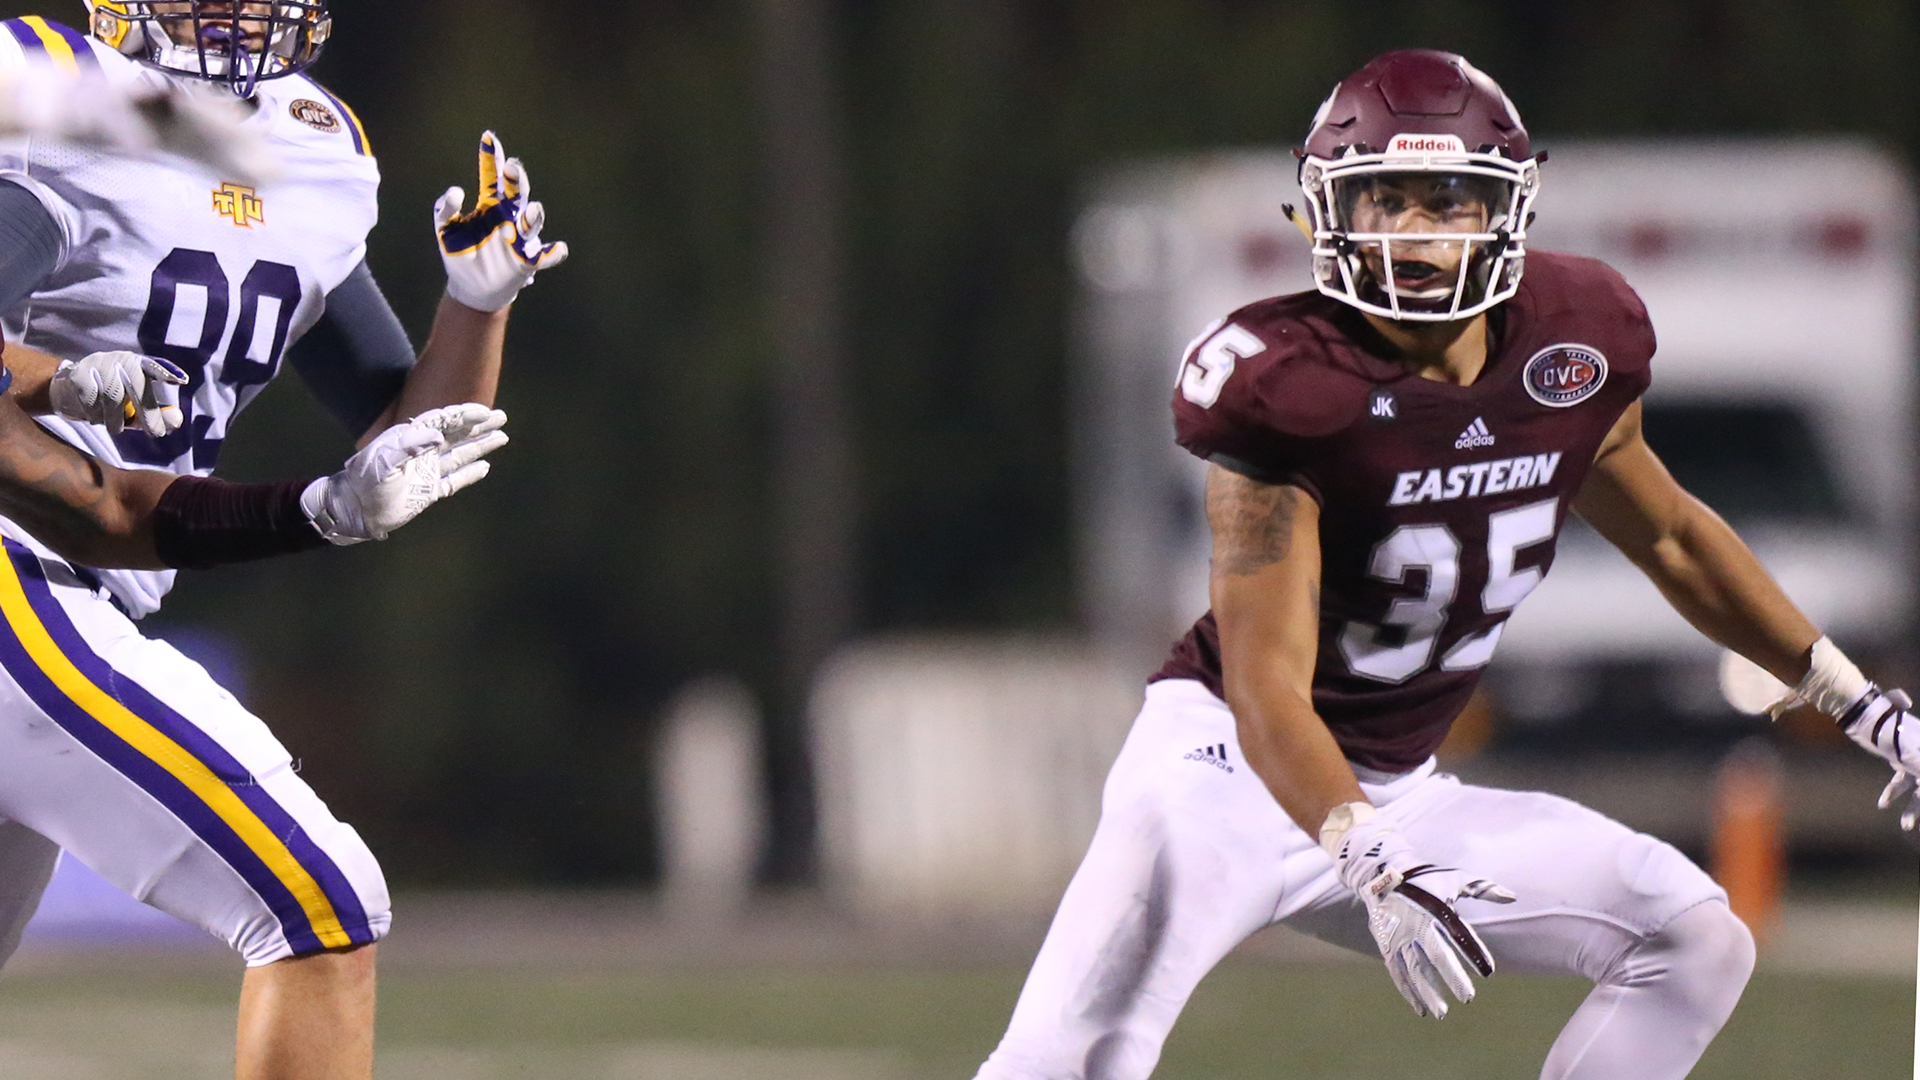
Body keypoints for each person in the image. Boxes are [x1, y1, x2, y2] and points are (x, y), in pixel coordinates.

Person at [973, 49, 1920, 1080]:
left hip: (1398, 791)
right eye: (1383, 203)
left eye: (1447, 202)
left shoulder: (1576, 342)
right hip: (1227, 774)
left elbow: (1675, 539)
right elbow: (1264, 684)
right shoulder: (1283, 385)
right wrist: (1363, 852)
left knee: (1692, 937)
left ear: (1504, 212)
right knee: (1071, 1059)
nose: (1415, 235)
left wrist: (1858, 702)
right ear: (1327, 215)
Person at [0, 4, 563, 1078]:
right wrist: (55, 379)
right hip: (23, 560)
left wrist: (475, 301)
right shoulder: (53, 91)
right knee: (318, 897)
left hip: (88, 572)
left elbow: (407, 438)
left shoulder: (311, 141)